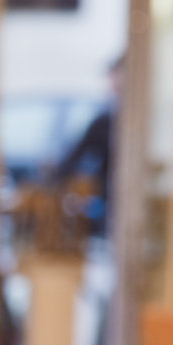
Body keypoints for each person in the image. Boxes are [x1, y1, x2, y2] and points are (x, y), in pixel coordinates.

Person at [55, 54, 124, 237]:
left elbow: (72, 159)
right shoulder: (106, 120)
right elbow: (72, 160)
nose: (112, 83)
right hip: (110, 201)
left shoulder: (109, 121)